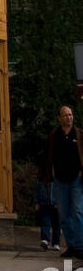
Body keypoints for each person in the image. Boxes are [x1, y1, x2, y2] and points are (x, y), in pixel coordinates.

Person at [44, 104, 83, 258]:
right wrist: (51, 170)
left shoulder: (79, 134)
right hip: (60, 180)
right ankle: (72, 245)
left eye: (70, 114)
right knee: (64, 214)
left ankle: (80, 245)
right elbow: (48, 155)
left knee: (78, 211)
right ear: (59, 118)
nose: (69, 117)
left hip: (76, 179)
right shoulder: (54, 136)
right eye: (65, 115)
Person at [35, 147, 61, 250]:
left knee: (57, 224)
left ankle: (56, 243)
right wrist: (37, 202)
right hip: (44, 203)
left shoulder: (58, 180)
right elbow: (37, 190)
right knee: (45, 222)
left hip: (56, 203)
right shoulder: (41, 178)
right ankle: (45, 240)